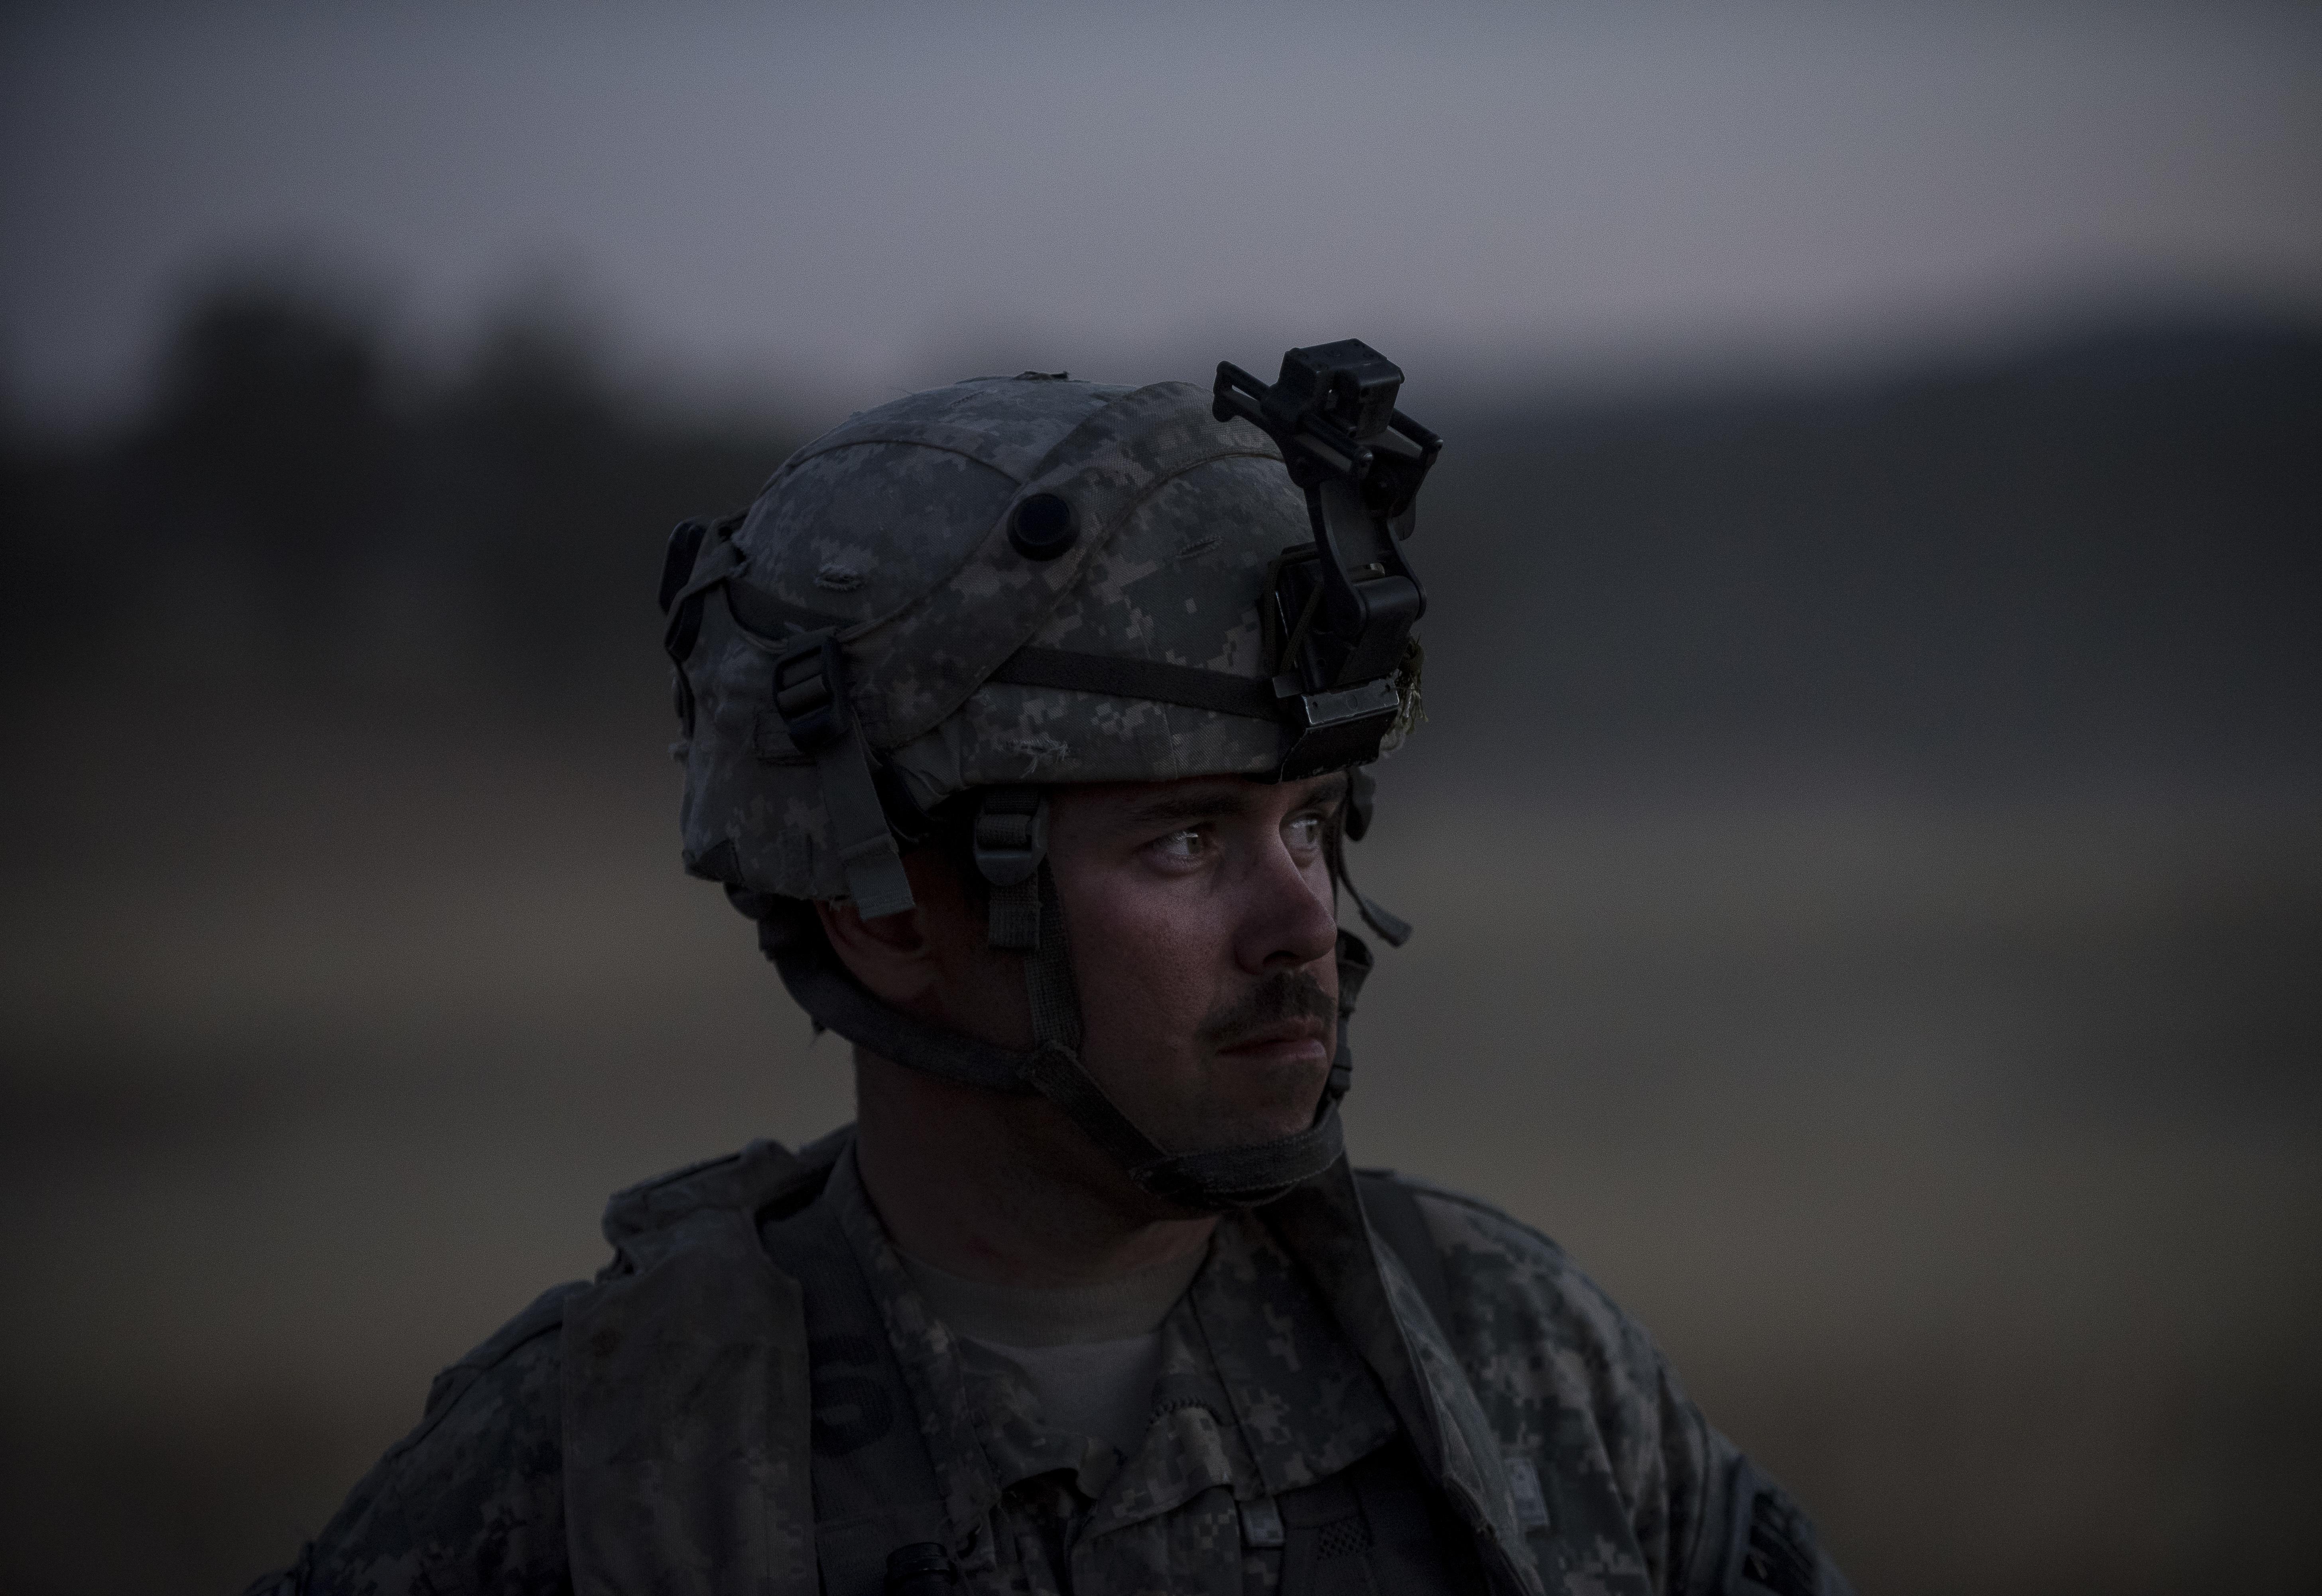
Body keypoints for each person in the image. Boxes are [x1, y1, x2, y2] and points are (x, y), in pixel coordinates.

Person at [252, 345, 1851, 1596]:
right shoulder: (601, 1473)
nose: (1305, 923)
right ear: (885, 910)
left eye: (1310, 822)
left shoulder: (1520, 1359)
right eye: (1183, 841)